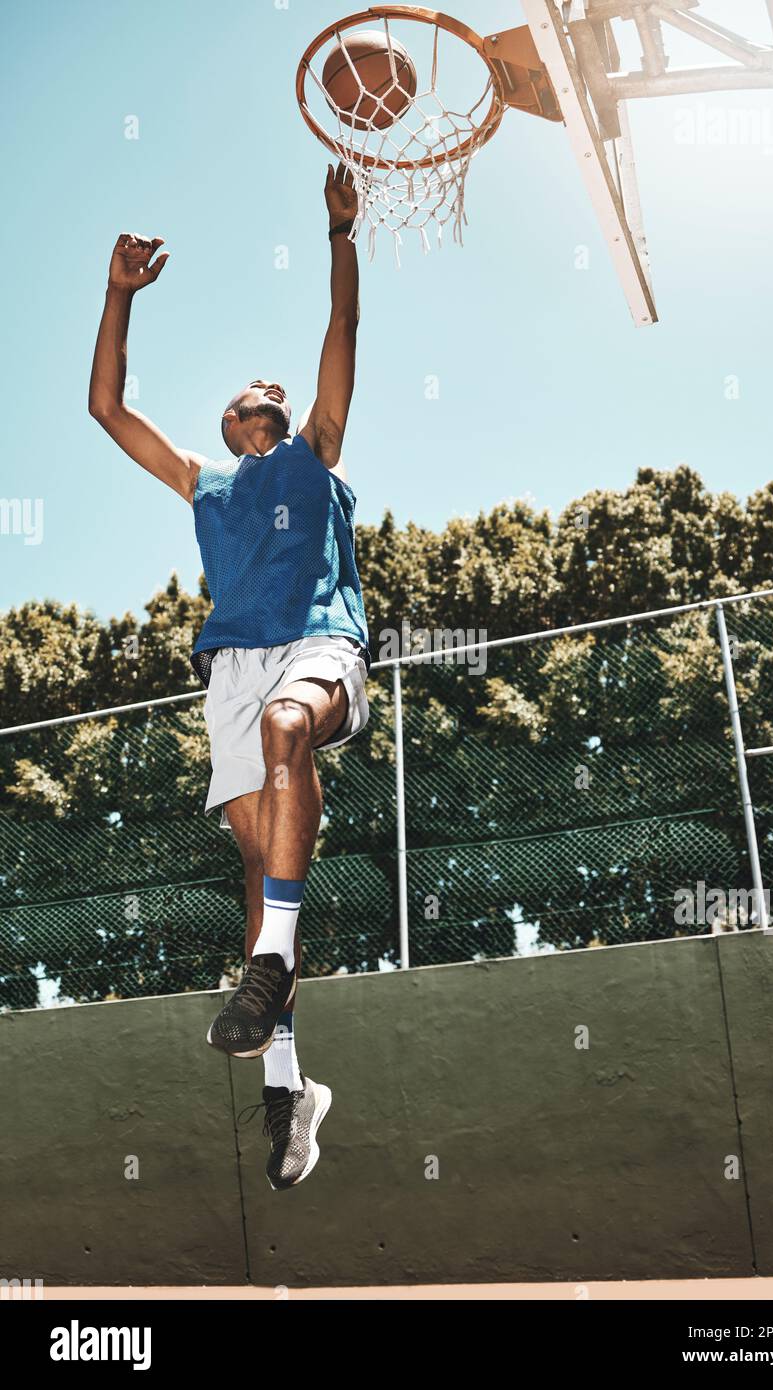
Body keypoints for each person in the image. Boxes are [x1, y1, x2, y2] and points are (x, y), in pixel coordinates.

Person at [88, 166, 370, 1190]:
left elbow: (342, 328)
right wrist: (118, 293)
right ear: (227, 421)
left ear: (282, 409)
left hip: (315, 641)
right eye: (247, 394)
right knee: (258, 879)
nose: (264, 392)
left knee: (293, 729)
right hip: (232, 666)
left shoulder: (315, 450)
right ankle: (291, 1089)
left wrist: (339, 233)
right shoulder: (204, 486)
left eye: (273, 390)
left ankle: (276, 959)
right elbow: (106, 406)